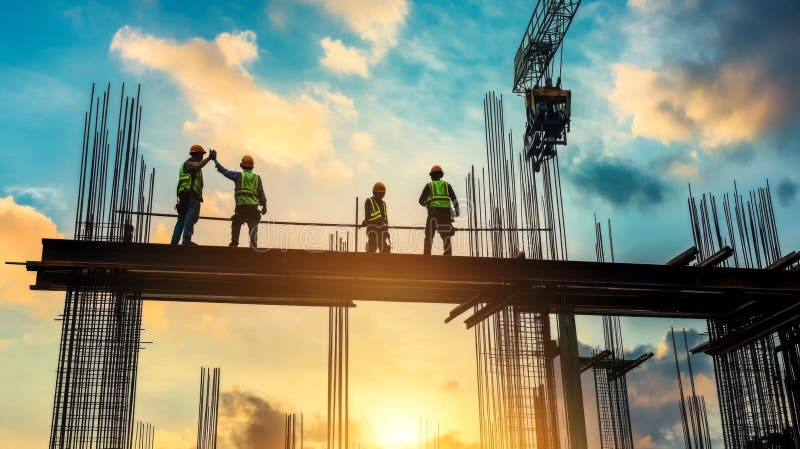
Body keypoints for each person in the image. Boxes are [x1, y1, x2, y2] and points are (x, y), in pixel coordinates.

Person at [214, 154, 267, 247]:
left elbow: (225, 172)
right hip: (253, 207)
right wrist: (264, 205)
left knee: (236, 222)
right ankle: (253, 245)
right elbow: (261, 193)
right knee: (253, 225)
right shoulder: (257, 178)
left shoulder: (238, 176)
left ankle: (234, 242)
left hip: (241, 206)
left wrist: (215, 161)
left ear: (241, 165)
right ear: (252, 167)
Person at [171, 144, 215, 245]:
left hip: (185, 195)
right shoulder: (189, 164)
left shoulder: (190, 165)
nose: (202, 156)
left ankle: (174, 243)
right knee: (191, 216)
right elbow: (198, 166)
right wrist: (209, 158)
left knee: (182, 218)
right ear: (196, 154)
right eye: (201, 154)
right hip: (190, 194)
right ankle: (186, 240)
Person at [418, 165, 459, 256]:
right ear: (441, 175)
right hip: (445, 215)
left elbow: (421, 200)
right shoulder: (447, 185)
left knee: (429, 235)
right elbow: (454, 199)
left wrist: (427, 205)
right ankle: (448, 258)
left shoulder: (429, 185)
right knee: (446, 236)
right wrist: (457, 210)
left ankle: (427, 257)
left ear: (431, 176)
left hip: (434, 214)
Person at [362, 182, 390, 253]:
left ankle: (384, 263)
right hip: (372, 229)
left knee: (384, 248)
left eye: (382, 194)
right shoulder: (369, 201)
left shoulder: (383, 204)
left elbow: (385, 220)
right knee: (373, 246)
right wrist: (366, 221)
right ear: (374, 192)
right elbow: (368, 217)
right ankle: (368, 260)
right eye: (379, 193)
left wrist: (386, 230)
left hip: (382, 230)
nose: (381, 195)